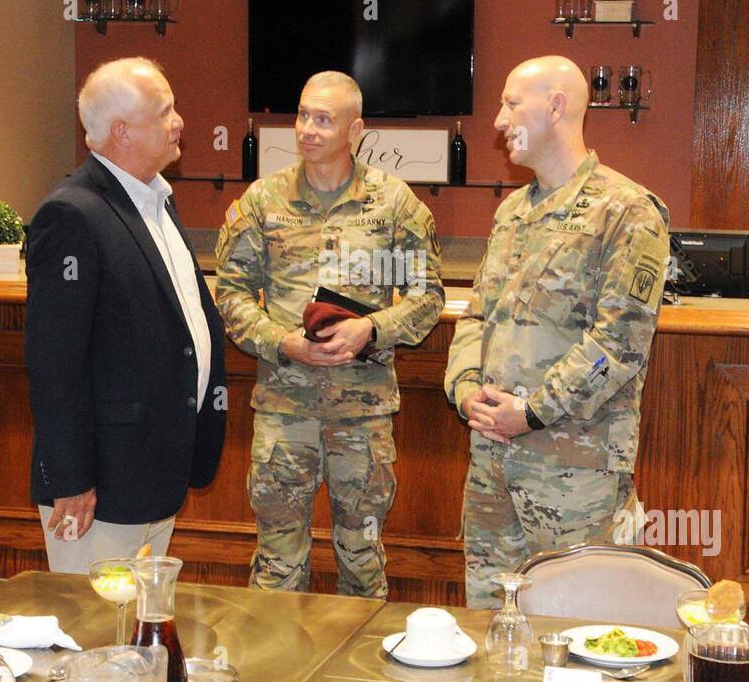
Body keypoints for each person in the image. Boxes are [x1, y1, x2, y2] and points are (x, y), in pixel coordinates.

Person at [444, 56, 670, 609]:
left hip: (574, 474)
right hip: (492, 464)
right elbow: (477, 316)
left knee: (578, 627)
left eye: (510, 104)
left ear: (557, 107)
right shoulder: (511, 213)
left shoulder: (627, 212)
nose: (498, 120)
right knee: (492, 625)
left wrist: (533, 411)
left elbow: (617, 343)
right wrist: (465, 389)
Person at [215, 71, 444, 598]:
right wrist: (281, 341)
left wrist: (371, 329)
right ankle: (275, 676)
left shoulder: (393, 205)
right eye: (302, 116)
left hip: (361, 415)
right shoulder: (262, 202)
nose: (307, 130)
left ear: (355, 129)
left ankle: (357, 679)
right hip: (284, 408)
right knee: (277, 564)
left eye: (324, 119)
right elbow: (230, 295)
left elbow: (426, 294)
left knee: (362, 560)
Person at [25, 57, 226, 573]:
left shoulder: (155, 201)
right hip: (99, 493)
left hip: (155, 478)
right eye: (165, 112)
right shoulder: (72, 215)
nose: (179, 120)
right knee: (92, 639)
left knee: (136, 641)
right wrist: (71, 480)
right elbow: (54, 363)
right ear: (123, 132)